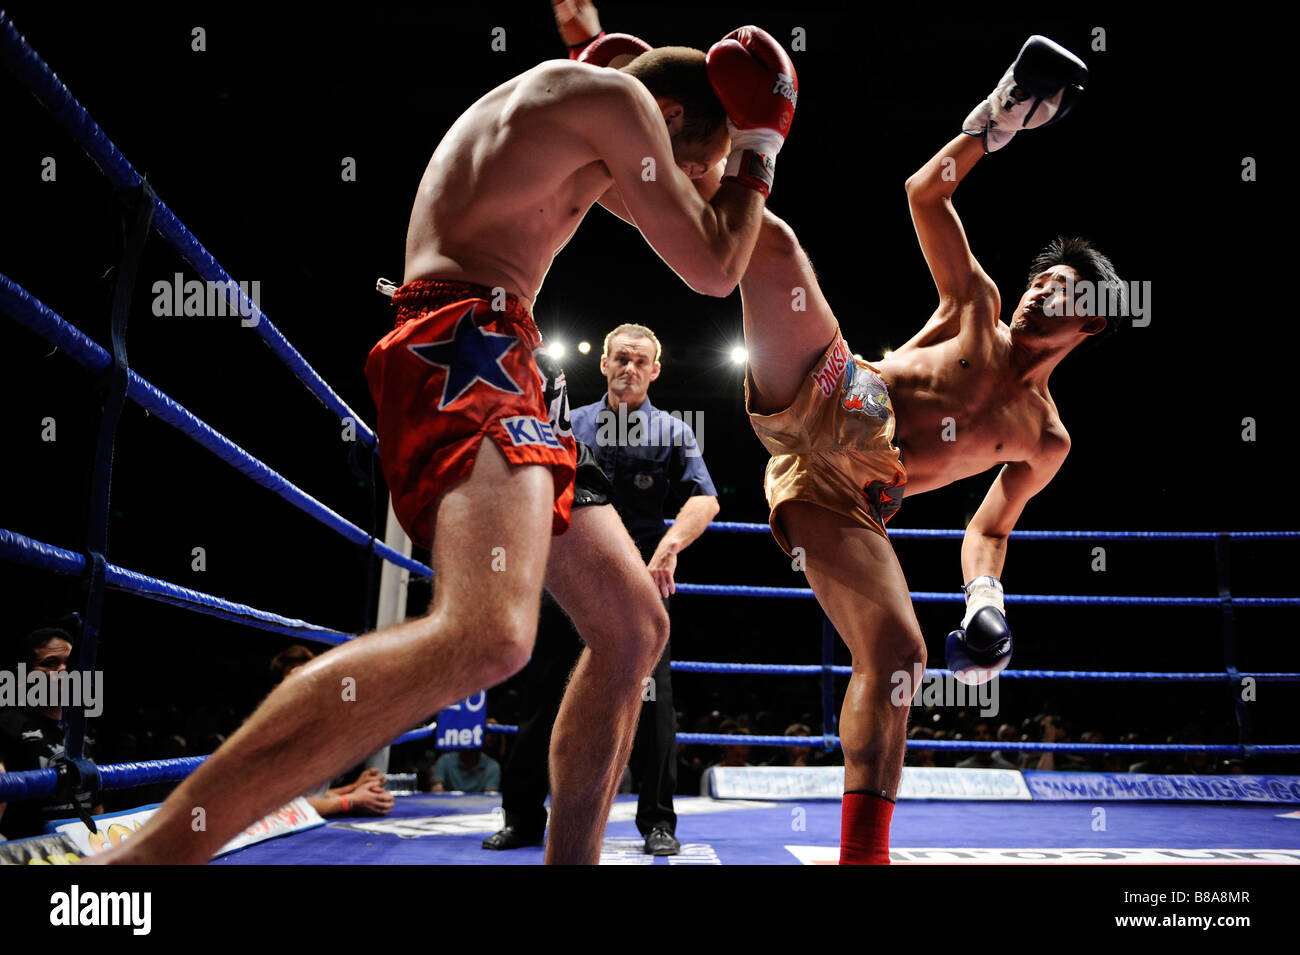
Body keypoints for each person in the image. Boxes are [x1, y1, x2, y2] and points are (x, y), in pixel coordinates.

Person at [93, 11, 798, 865]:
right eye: (696, 164)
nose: (695, 185)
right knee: (490, 633)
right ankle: (142, 862)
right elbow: (715, 265)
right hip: (466, 341)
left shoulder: (573, 102)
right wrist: (762, 140)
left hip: (496, 349)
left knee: (632, 625)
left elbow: (653, 210)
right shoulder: (612, 98)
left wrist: (653, 96)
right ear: (673, 117)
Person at [734, 35, 1115, 863]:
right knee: (772, 250)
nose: (1037, 293)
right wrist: (995, 120)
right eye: (1038, 281)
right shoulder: (975, 302)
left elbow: (990, 530)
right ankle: (693, 140)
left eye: (1061, 293)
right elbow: (924, 196)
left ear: (1092, 324)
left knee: (903, 656)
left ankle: (862, 856)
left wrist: (988, 605)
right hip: (830, 389)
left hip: (847, 496)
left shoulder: (1044, 439)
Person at [483, 322, 717, 855]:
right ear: (604, 364)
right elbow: (527, 483)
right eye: (621, 359)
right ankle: (522, 818)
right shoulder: (569, 422)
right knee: (542, 695)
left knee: (652, 703)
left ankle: (659, 823)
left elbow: (704, 499)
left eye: (640, 361)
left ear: (655, 371)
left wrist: (671, 545)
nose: (629, 369)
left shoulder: (674, 432)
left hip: (640, 584)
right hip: (565, 583)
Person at [0, 623, 102, 840]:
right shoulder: (8, 726)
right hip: (31, 851)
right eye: (51, 663)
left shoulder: (84, 726)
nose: (63, 671)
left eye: (69, 663)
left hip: (82, 849)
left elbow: (96, 801)